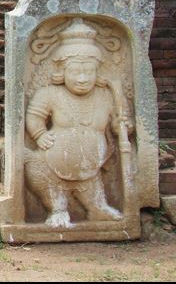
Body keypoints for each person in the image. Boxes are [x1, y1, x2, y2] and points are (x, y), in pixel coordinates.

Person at [24, 18, 130, 228]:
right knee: (36, 169)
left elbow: (117, 127)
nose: (82, 78)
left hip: (91, 168)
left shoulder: (105, 96)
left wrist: (122, 127)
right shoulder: (49, 93)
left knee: (93, 193)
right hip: (50, 165)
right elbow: (34, 116)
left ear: (96, 73)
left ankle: (97, 208)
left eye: (88, 72)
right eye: (75, 72)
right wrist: (39, 135)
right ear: (63, 72)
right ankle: (57, 209)